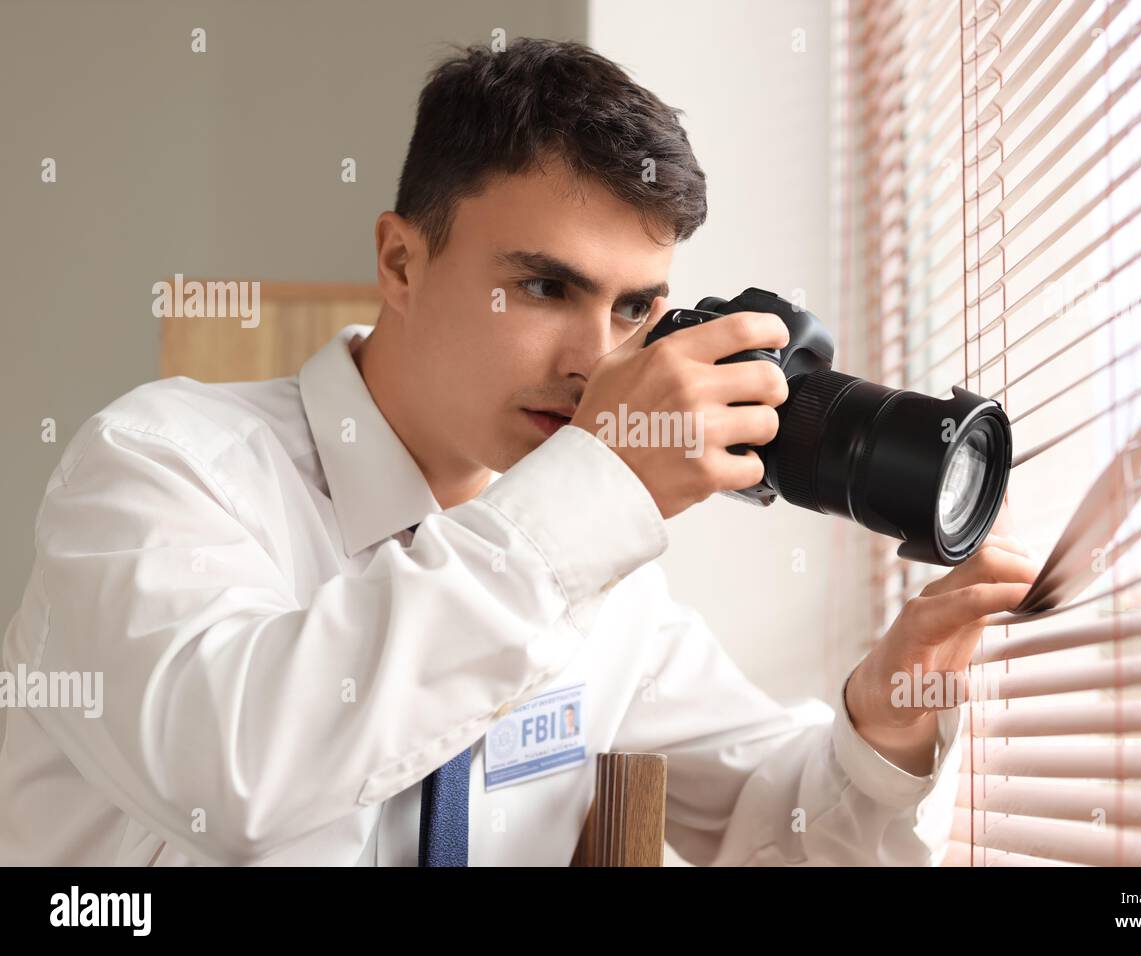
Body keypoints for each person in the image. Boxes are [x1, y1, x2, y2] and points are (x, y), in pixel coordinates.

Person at [0, 37, 1037, 866]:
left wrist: (891, 706)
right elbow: (232, 779)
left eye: (635, 306)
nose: (595, 357)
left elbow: (787, 829)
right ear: (400, 260)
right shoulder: (158, 463)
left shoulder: (596, 573)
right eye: (545, 288)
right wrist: (600, 489)